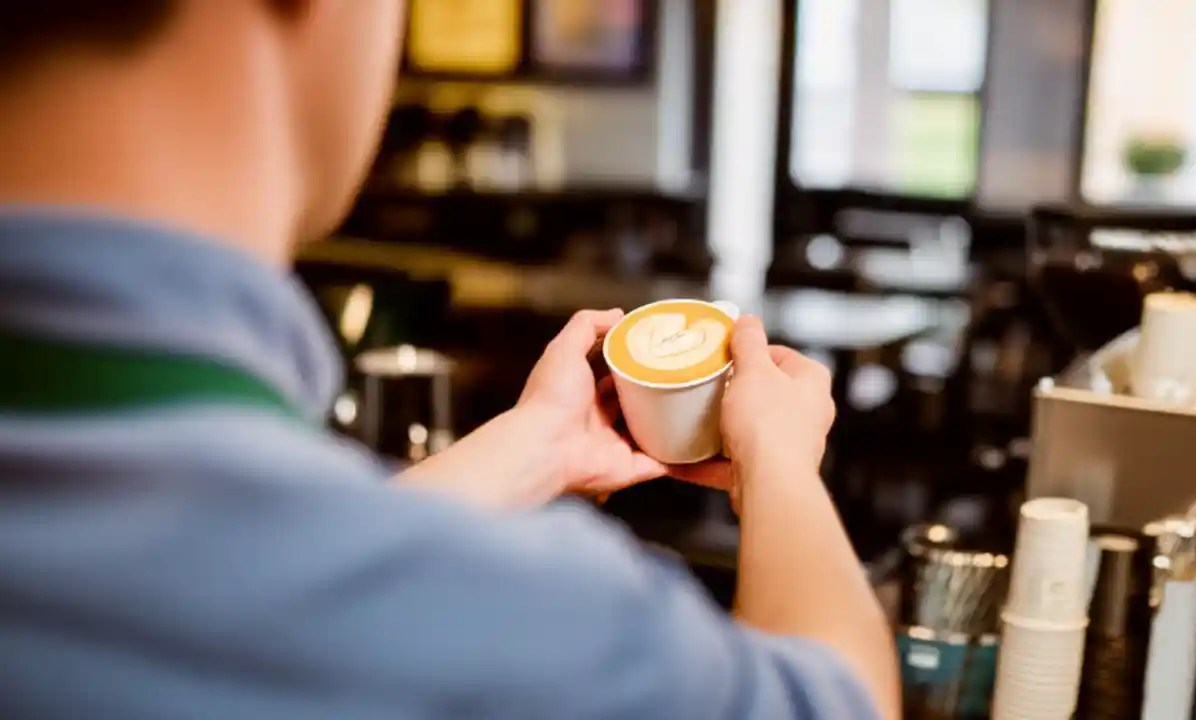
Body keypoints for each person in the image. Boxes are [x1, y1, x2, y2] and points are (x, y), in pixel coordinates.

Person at [0, 2, 900, 718]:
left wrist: (535, 443)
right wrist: (780, 465)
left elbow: (216, 573)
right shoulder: (553, 625)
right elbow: (843, 697)